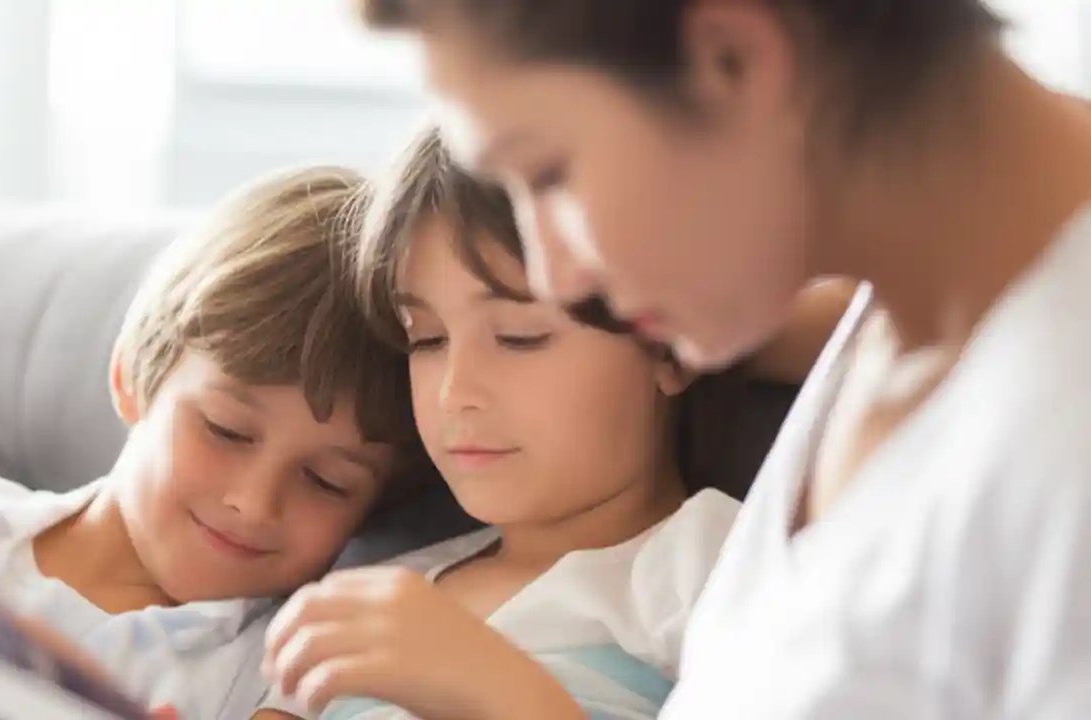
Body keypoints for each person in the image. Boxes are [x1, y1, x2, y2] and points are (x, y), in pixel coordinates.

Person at [355, 1, 1091, 717]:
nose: (560, 277)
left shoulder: (1058, 438)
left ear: (732, 61)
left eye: (550, 174)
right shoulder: (912, 299)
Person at [256, 127, 848, 720]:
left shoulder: (714, 567)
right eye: (427, 339)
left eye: (520, 337)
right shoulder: (377, 587)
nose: (454, 392)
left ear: (670, 347)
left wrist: (485, 681)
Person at [0, 166, 424, 718]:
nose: (254, 503)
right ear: (132, 377)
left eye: (327, 482)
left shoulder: (284, 673)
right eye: (226, 430)